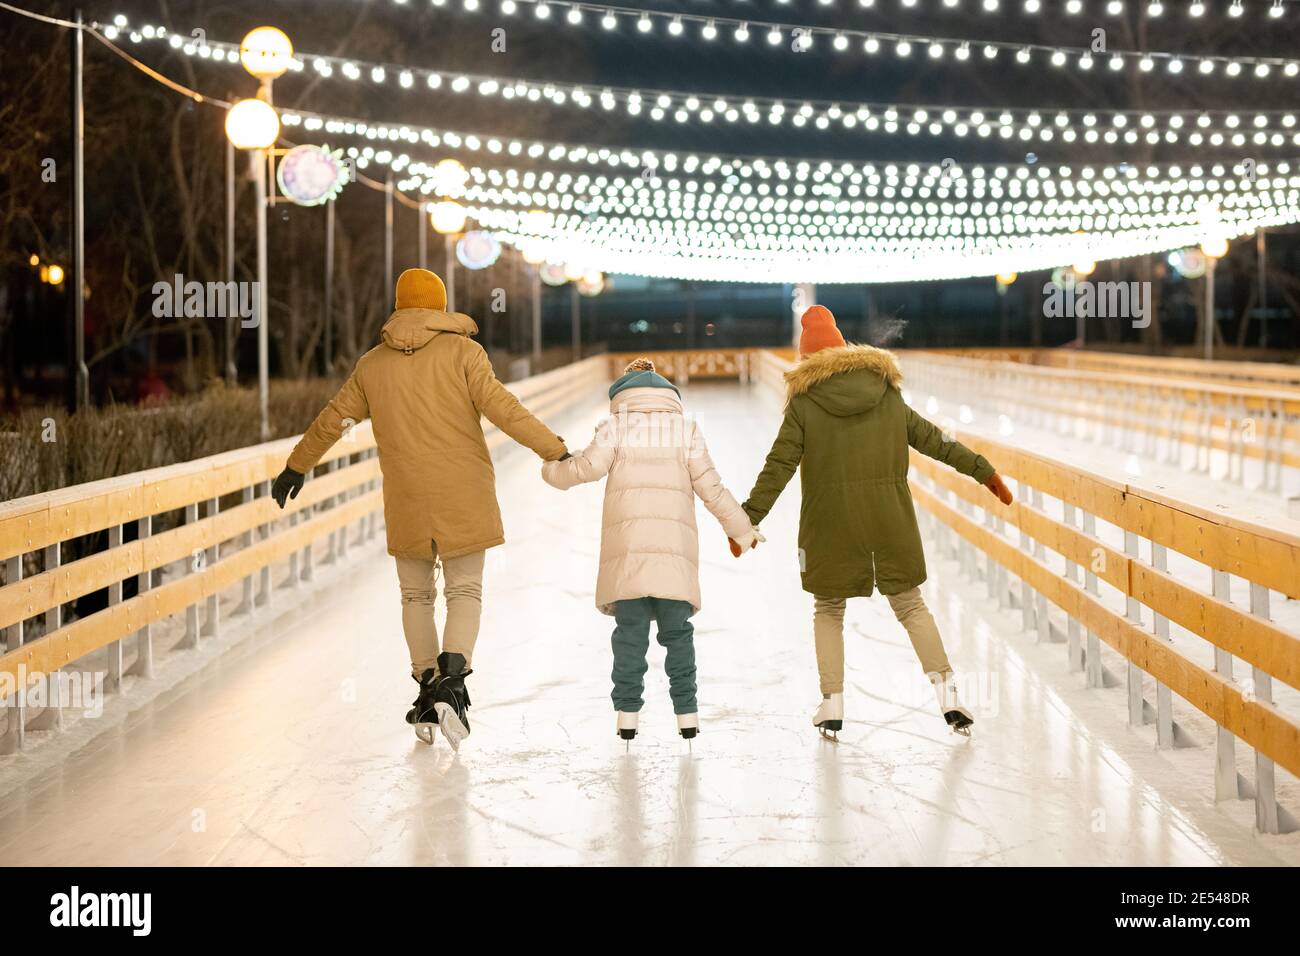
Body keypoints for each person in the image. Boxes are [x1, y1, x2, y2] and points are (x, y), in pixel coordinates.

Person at [270, 268, 570, 751]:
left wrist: (296, 465)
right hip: (464, 491)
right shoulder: (464, 353)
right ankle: (453, 681)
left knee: (415, 597)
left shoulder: (372, 366)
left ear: (398, 305)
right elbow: (503, 409)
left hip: (407, 494)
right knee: (465, 589)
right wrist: (553, 450)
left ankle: (429, 688)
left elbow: (334, 420)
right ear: (440, 306)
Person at [739, 306, 1014, 739]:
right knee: (910, 605)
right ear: (843, 348)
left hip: (829, 525)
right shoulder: (886, 394)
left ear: (807, 360)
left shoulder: (804, 405)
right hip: (890, 520)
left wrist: (747, 520)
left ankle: (832, 704)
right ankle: (949, 697)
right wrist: (983, 470)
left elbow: (779, 466)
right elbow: (935, 440)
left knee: (828, 610)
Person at [541, 358, 760, 744]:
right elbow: (712, 488)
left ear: (622, 392)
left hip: (628, 556)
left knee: (629, 637)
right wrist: (741, 531)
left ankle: (627, 716)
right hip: (674, 555)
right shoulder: (685, 430)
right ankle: (687, 714)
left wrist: (549, 468)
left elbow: (582, 470)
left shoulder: (615, 427)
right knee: (679, 636)